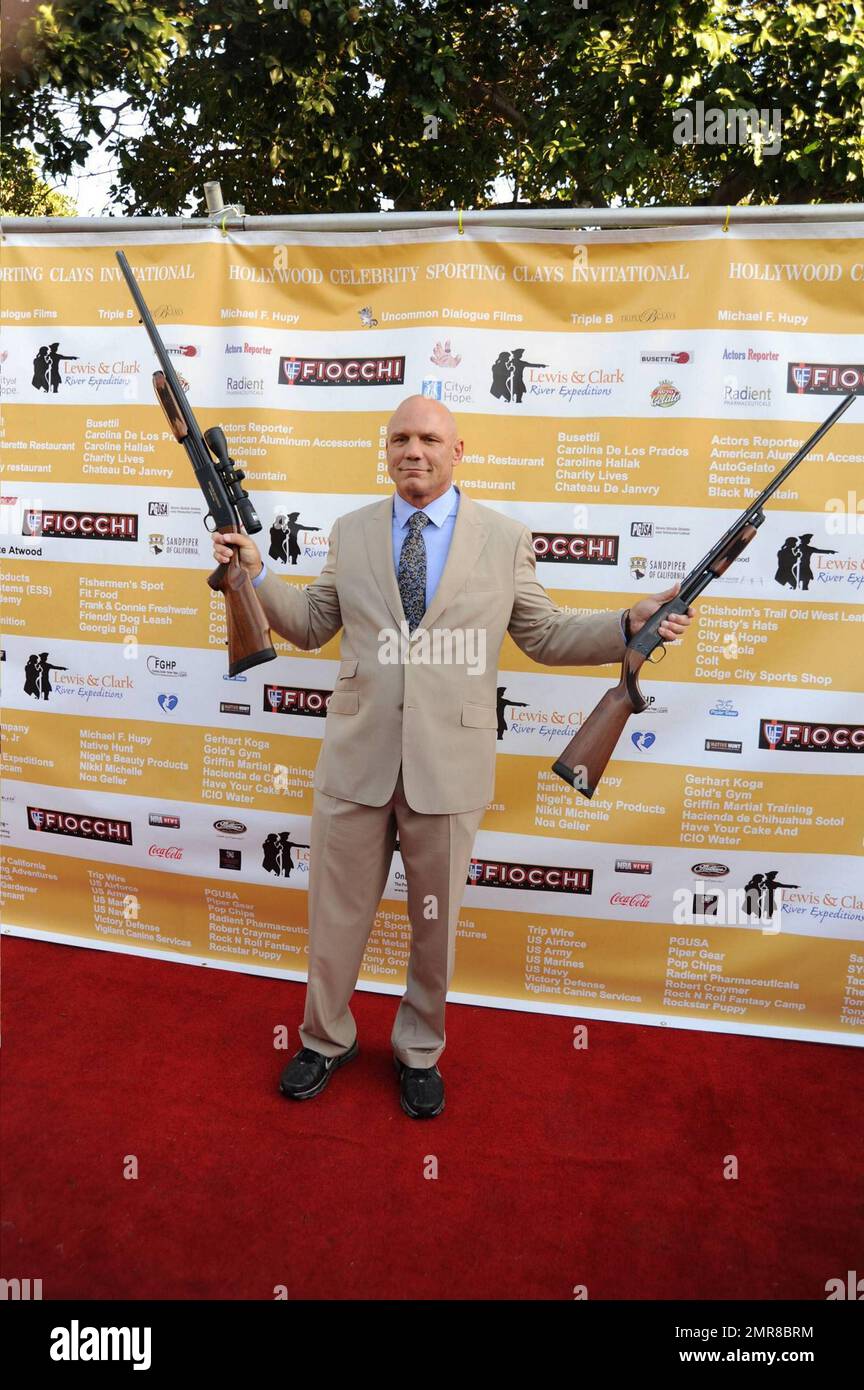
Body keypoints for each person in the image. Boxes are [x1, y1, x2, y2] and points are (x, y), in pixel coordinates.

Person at [212, 395, 694, 1118]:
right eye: (401, 438)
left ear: (457, 451)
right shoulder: (352, 531)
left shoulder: (503, 540)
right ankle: (325, 1038)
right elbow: (311, 625)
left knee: (435, 926)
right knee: (334, 917)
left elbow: (546, 635)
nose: (415, 450)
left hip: (451, 766)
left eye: (430, 438)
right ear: (386, 451)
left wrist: (623, 624)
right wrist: (254, 574)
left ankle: (419, 1050)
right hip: (357, 758)